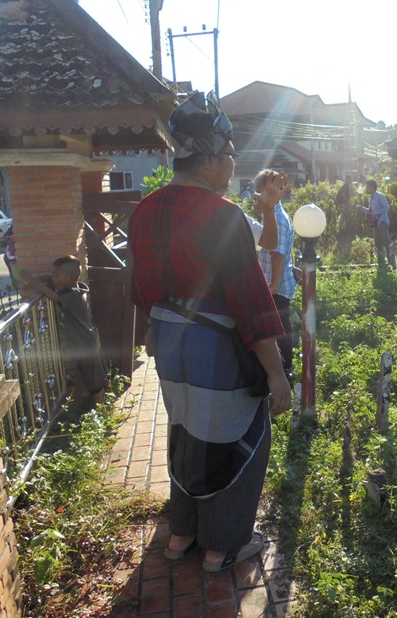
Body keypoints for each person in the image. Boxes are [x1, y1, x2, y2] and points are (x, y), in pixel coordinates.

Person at [127, 90, 291, 573]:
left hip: (170, 344)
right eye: (232, 157)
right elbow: (251, 302)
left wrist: (153, 337)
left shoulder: (145, 210)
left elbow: (138, 286)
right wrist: (276, 375)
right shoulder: (222, 215)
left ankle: (181, 535)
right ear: (213, 156)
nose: (233, 168)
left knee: (186, 432)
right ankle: (222, 547)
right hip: (216, 347)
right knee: (237, 436)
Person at [20, 256, 108, 404]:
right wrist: (41, 278)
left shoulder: (72, 295)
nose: (53, 279)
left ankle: (102, 409)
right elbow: (56, 284)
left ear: (68, 278)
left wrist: (33, 280)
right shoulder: (77, 287)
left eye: (56, 276)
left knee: (92, 377)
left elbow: (54, 296)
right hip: (88, 338)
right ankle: (107, 394)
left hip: (84, 342)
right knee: (97, 370)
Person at [253, 168, 298, 382]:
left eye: (258, 189)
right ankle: (284, 372)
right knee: (280, 329)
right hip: (277, 283)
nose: (255, 195)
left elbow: (278, 256)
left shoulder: (277, 218)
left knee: (279, 332)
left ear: (266, 188)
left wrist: (272, 286)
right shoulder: (272, 214)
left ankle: (285, 373)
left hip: (276, 286)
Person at [359, 179, 394, 268]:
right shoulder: (371, 198)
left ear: (372, 187)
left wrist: (376, 212)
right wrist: (362, 208)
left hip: (382, 221)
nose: (366, 189)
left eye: (367, 187)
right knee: (378, 243)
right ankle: (381, 263)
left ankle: (392, 263)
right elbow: (370, 211)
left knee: (386, 241)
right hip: (375, 223)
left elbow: (386, 207)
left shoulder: (380, 196)